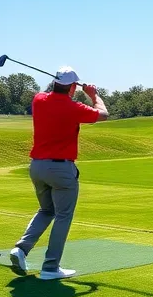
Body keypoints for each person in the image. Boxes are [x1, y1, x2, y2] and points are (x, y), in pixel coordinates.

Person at [9, 67, 109, 279]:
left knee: (46, 210)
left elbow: (50, 93)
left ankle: (21, 249)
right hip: (61, 169)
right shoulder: (73, 107)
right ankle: (50, 267)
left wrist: (65, 85)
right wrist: (94, 95)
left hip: (37, 167)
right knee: (63, 216)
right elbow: (103, 114)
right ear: (73, 87)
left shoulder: (38, 100)